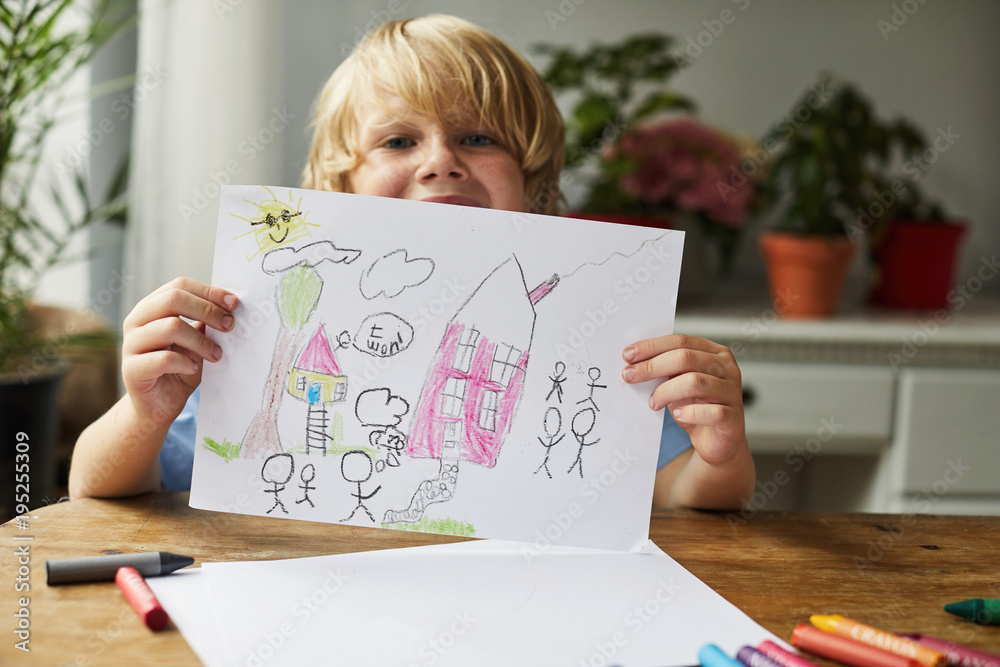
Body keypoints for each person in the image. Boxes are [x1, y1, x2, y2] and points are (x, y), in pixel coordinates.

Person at [69, 14, 754, 510]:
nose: (440, 162)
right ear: (341, 186)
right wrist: (144, 414)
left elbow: (680, 493)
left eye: (478, 137)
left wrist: (721, 455)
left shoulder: (589, 329)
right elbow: (96, 486)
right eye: (399, 141)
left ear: (533, 182)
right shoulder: (268, 321)